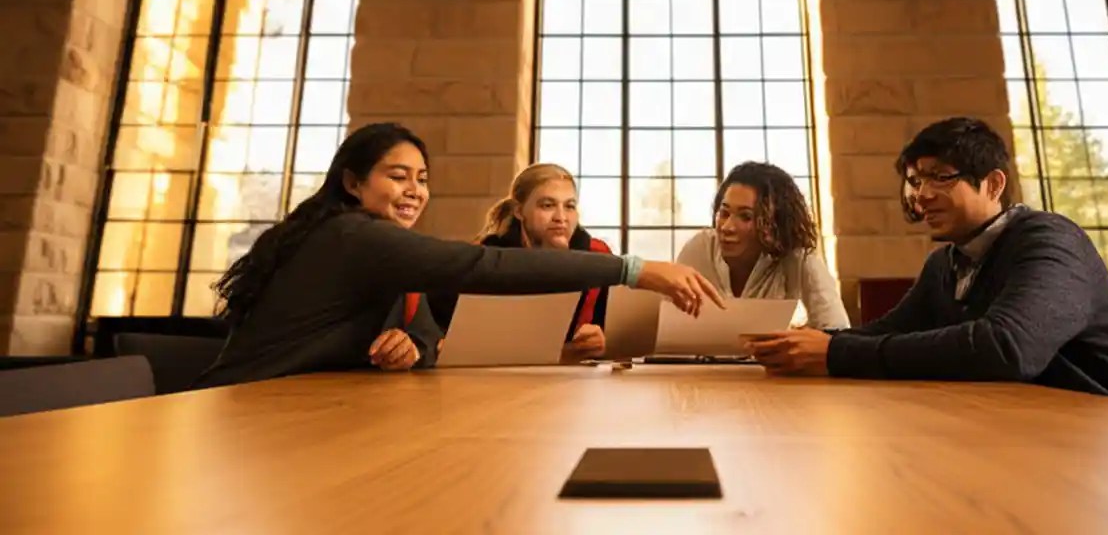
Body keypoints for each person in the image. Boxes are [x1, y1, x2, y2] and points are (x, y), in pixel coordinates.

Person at [195, 123, 723, 388]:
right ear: (354, 183)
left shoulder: (375, 247)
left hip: (298, 406)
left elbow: (426, 336)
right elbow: (483, 268)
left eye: (421, 180)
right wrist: (636, 269)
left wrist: (410, 347)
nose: (414, 191)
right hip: (246, 404)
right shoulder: (352, 235)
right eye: (396, 177)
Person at [746, 117, 1108, 404]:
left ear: (993, 184)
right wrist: (802, 345)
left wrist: (834, 353)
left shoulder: (1049, 240)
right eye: (914, 181)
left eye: (940, 177)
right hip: (1035, 431)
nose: (921, 195)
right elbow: (885, 333)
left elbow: (1007, 348)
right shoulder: (944, 263)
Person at [464, 164, 613, 362]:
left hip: (577, 381)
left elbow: (611, 335)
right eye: (547, 205)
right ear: (519, 211)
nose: (561, 218)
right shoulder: (487, 257)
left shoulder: (598, 255)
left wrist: (601, 340)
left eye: (569, 206)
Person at [676, 161, 850, 330]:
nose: (727, 227)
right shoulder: (699, 249)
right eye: (724, 213)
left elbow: (836, 329)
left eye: (745, 217)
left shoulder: (798, 258)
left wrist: (796, 339)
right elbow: (666, 320)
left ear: (774, 223)